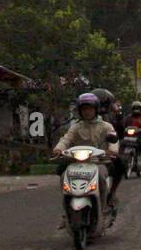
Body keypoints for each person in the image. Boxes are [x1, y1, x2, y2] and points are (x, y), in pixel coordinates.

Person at [51, 92, 120, 227]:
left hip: (99, 162)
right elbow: (66, 139)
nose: (87, 112)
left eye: (90, 108)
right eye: (84, 109)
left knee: (100, 176)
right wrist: (59, 149)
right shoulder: (76, 127)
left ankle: (103, 208)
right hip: (78, 161)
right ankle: (66, 213)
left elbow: (114, 139)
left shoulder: (106, 126)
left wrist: (112, 150)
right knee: (64, 175)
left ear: (96, 109)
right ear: (80, 111)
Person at [119, 100, 141, 164]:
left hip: (139, 137)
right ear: (132, 109)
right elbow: (122, 125)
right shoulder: (127, 118)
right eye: (135, 108)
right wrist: (122, 128)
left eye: (138, 108)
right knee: (120, 146)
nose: (136, 110)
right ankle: (121, 160)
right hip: (128, 137)